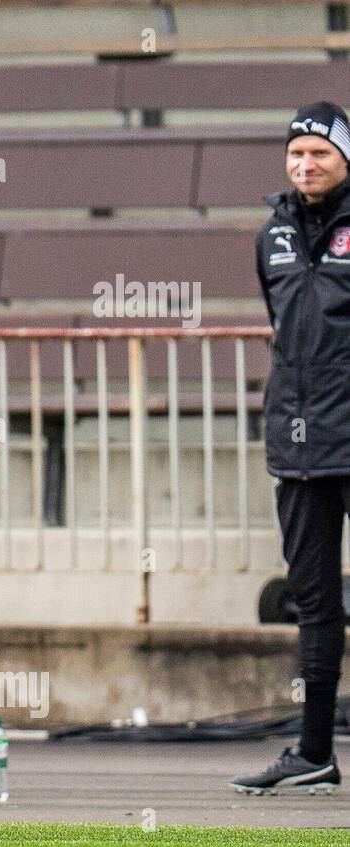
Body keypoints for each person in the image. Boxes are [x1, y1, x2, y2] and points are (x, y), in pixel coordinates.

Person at [233, 101, 350, 795]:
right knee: (314, 602)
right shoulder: (271, 232)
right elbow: (285, 329)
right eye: (296, 154)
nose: (307, 166)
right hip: (301, 447)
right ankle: (313, 753)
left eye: (322, 154)